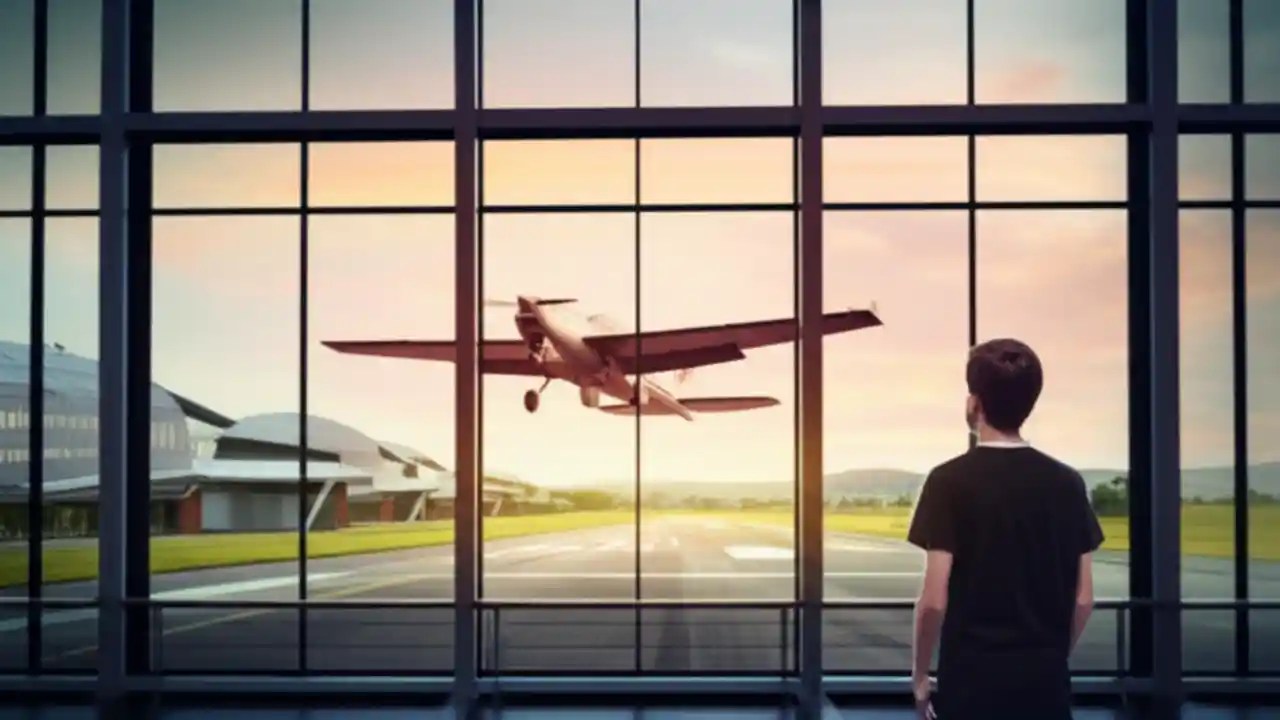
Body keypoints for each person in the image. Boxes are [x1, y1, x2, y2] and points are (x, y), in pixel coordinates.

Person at [906, 338, 1104, 720]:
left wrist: (919, 679)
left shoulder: (948, 481)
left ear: (973, 404)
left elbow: (933, 601)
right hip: (1044, 687)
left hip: (971, 686)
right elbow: (1083, 599)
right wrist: (1050, 660)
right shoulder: (1068, 482)